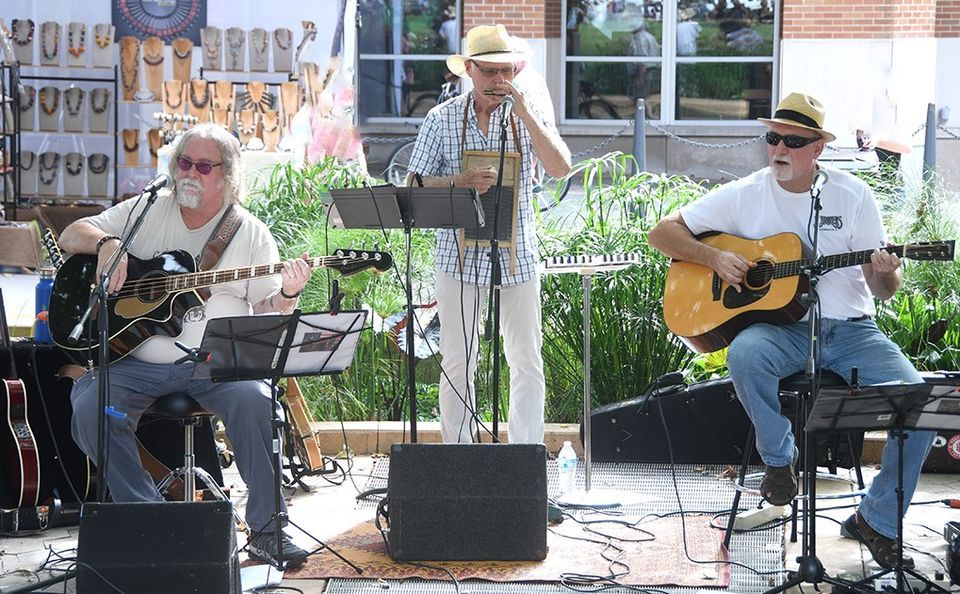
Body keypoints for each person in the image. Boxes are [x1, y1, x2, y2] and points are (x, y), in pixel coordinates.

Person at [648, 92, 935, 570]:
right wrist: (715, 257)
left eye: (792, 141)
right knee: (744, 353)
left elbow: (883, 290)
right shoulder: (746, 193)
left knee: (916, 402)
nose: (778, 148)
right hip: (783, 332)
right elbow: (663, 233)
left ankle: (877, 521)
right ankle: (779, 460)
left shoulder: (851, 195)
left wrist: (886, 269)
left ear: (817, 149)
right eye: (773, 138)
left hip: (852, 331)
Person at [61, 124, 315, 567]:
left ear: (228, 176)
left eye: (202, 166)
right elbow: (70, 235)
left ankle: (268, 530)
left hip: (214, 363)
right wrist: (106, 244)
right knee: (90, 406)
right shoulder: (145, 210)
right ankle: (150, 520)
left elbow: (268, 310)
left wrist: (289, 294)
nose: (189, 174)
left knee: (256, 400)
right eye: (183, 163)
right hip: (135, 359)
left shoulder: (249, 233)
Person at [406, 24, 571, 444]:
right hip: (456, 257)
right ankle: (460, 458)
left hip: (517, 252)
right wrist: (458, 182)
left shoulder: (527, 112)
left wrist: (526, 115)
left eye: (507, 72)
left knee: (525, 360)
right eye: (490, 72)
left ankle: (525, 459)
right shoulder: (440, 118)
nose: (500, 81)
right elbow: (413, 186)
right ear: (470, 71)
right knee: (459, 359)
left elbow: (560, 168)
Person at [625, 21, 660, 100]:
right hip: (649, 71)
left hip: (643, 73)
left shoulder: (639, 38)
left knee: (639, 99)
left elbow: (641, 60)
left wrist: (639, 77)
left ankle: (648, 113)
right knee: (644, 99)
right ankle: (649, 112)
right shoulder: (650, 36)